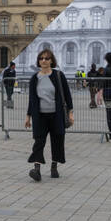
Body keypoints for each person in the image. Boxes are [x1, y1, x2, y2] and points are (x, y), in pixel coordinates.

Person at [24, 48, 74, 180]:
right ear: (38, 61)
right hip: (40, 115)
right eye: (41, 58)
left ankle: (54, 166)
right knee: (38, 142)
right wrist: (28, 116)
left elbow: (67, 96)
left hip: (56, 114)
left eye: (47, 58)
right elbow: (32, 99)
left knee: (57, 140)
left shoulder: (58, 75)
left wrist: (70, 113)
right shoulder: (35, 78)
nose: (44, 61)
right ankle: (36, 169)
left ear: (52, 61)